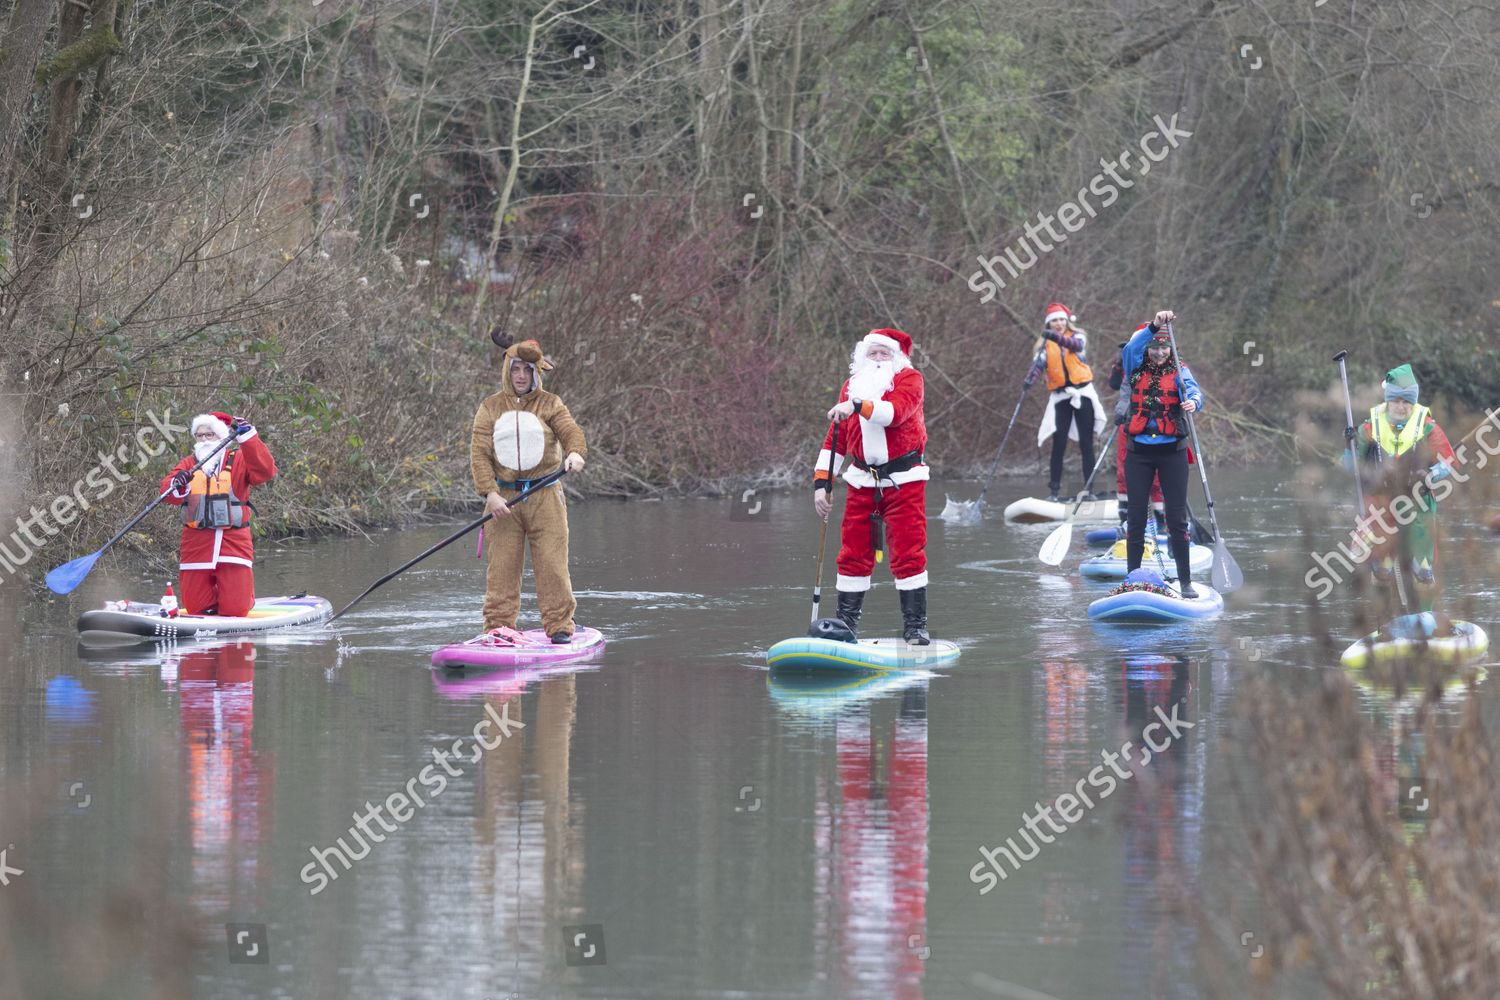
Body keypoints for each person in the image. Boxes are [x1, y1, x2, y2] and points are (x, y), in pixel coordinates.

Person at [814, 328, 931, 644]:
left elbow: (894, 414)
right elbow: (835, 438)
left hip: (903, 481)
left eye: (885, 354)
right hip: (862, 481)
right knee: (853, 552)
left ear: (897, 358)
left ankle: (915, 627)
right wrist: (823, 483)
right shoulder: (851, 387)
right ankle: (846, 626)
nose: (878, 359)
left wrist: (856, 405)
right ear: (862, 357)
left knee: (907, 551)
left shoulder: (910, 380)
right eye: (873, 353)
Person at [470, 335, 587, 642]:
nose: (520, 376)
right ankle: (499, 627)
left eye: (527, 370)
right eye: (515, 369)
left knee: (552, 564)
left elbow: (571, 431)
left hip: (545, 496)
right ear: (507, 371)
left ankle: (560, 626)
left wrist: (575, 453)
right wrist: (490, 493)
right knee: (502, 570)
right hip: (503, 501)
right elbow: (479, 453)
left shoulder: (551, 404)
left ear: (537, 373)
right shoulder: (490, 407)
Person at [1351, 363, 1455, 615]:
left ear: (1413, 402)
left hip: (1418, 507)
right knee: (1382, 569)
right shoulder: (1370, 427)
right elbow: (1349, 464)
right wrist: (1351, 445)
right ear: (1388, 401)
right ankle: (1387, 622)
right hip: (1383, 507)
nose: (1401, 407)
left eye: (1406, 402)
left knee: (1422, 570)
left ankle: (1426, 619)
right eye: (1396, 401)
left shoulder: (1428, 427)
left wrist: (1431, 474)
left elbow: (1449, 464)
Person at [160, 412, 277, 616]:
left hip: (233, 543)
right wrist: (177, 483)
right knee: (196, 608)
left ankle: (241, 598)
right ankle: (215, 600)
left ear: (222, 437)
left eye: (210, 435)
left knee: (235, 609)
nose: (204, 439)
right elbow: (166, 492)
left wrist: (249, 438)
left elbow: (265, 471)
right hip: (196, 545)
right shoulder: (189, 464)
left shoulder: (240, 459)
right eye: (199, 435)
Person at [1118, 311, 1203, 591]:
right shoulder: (1135, 365)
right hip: (1139, 453)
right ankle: (1132, 578)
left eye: (1164, 347)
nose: (1159, 352)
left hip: (1172, 453)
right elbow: (1131, 347)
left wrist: (1193, 401)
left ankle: (1186, 581)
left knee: (1177, 519)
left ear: (1172, 349)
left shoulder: (1179, 369)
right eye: (1154, 347)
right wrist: (1154, 326)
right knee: (1136, 517)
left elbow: (1193, 390)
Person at [1024, 303, 1105, 502]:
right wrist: (1029, 380)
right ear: (1049, 323)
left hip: (1082, 393)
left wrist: (1056, 337)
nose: (1059, 324)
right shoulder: (1044, 346)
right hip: (1061, 397)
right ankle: (1054, 492)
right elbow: (1038, 366)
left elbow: (1076, 347)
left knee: (1086, 443)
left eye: (1061, 320)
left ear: (1067, 321)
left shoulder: (1078, 337)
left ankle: (1089, 490)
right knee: (1058, 444)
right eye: (1054, 321)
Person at [1109, 341, 1164, 534]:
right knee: (1124, 472)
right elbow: (1121, 390)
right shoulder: (1128, 365)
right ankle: (1126, 522)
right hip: (1130, 424)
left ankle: (1162, 521)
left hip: (1156, 428)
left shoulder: (1165, 367)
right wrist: (1120, 412)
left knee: (1157, 476)